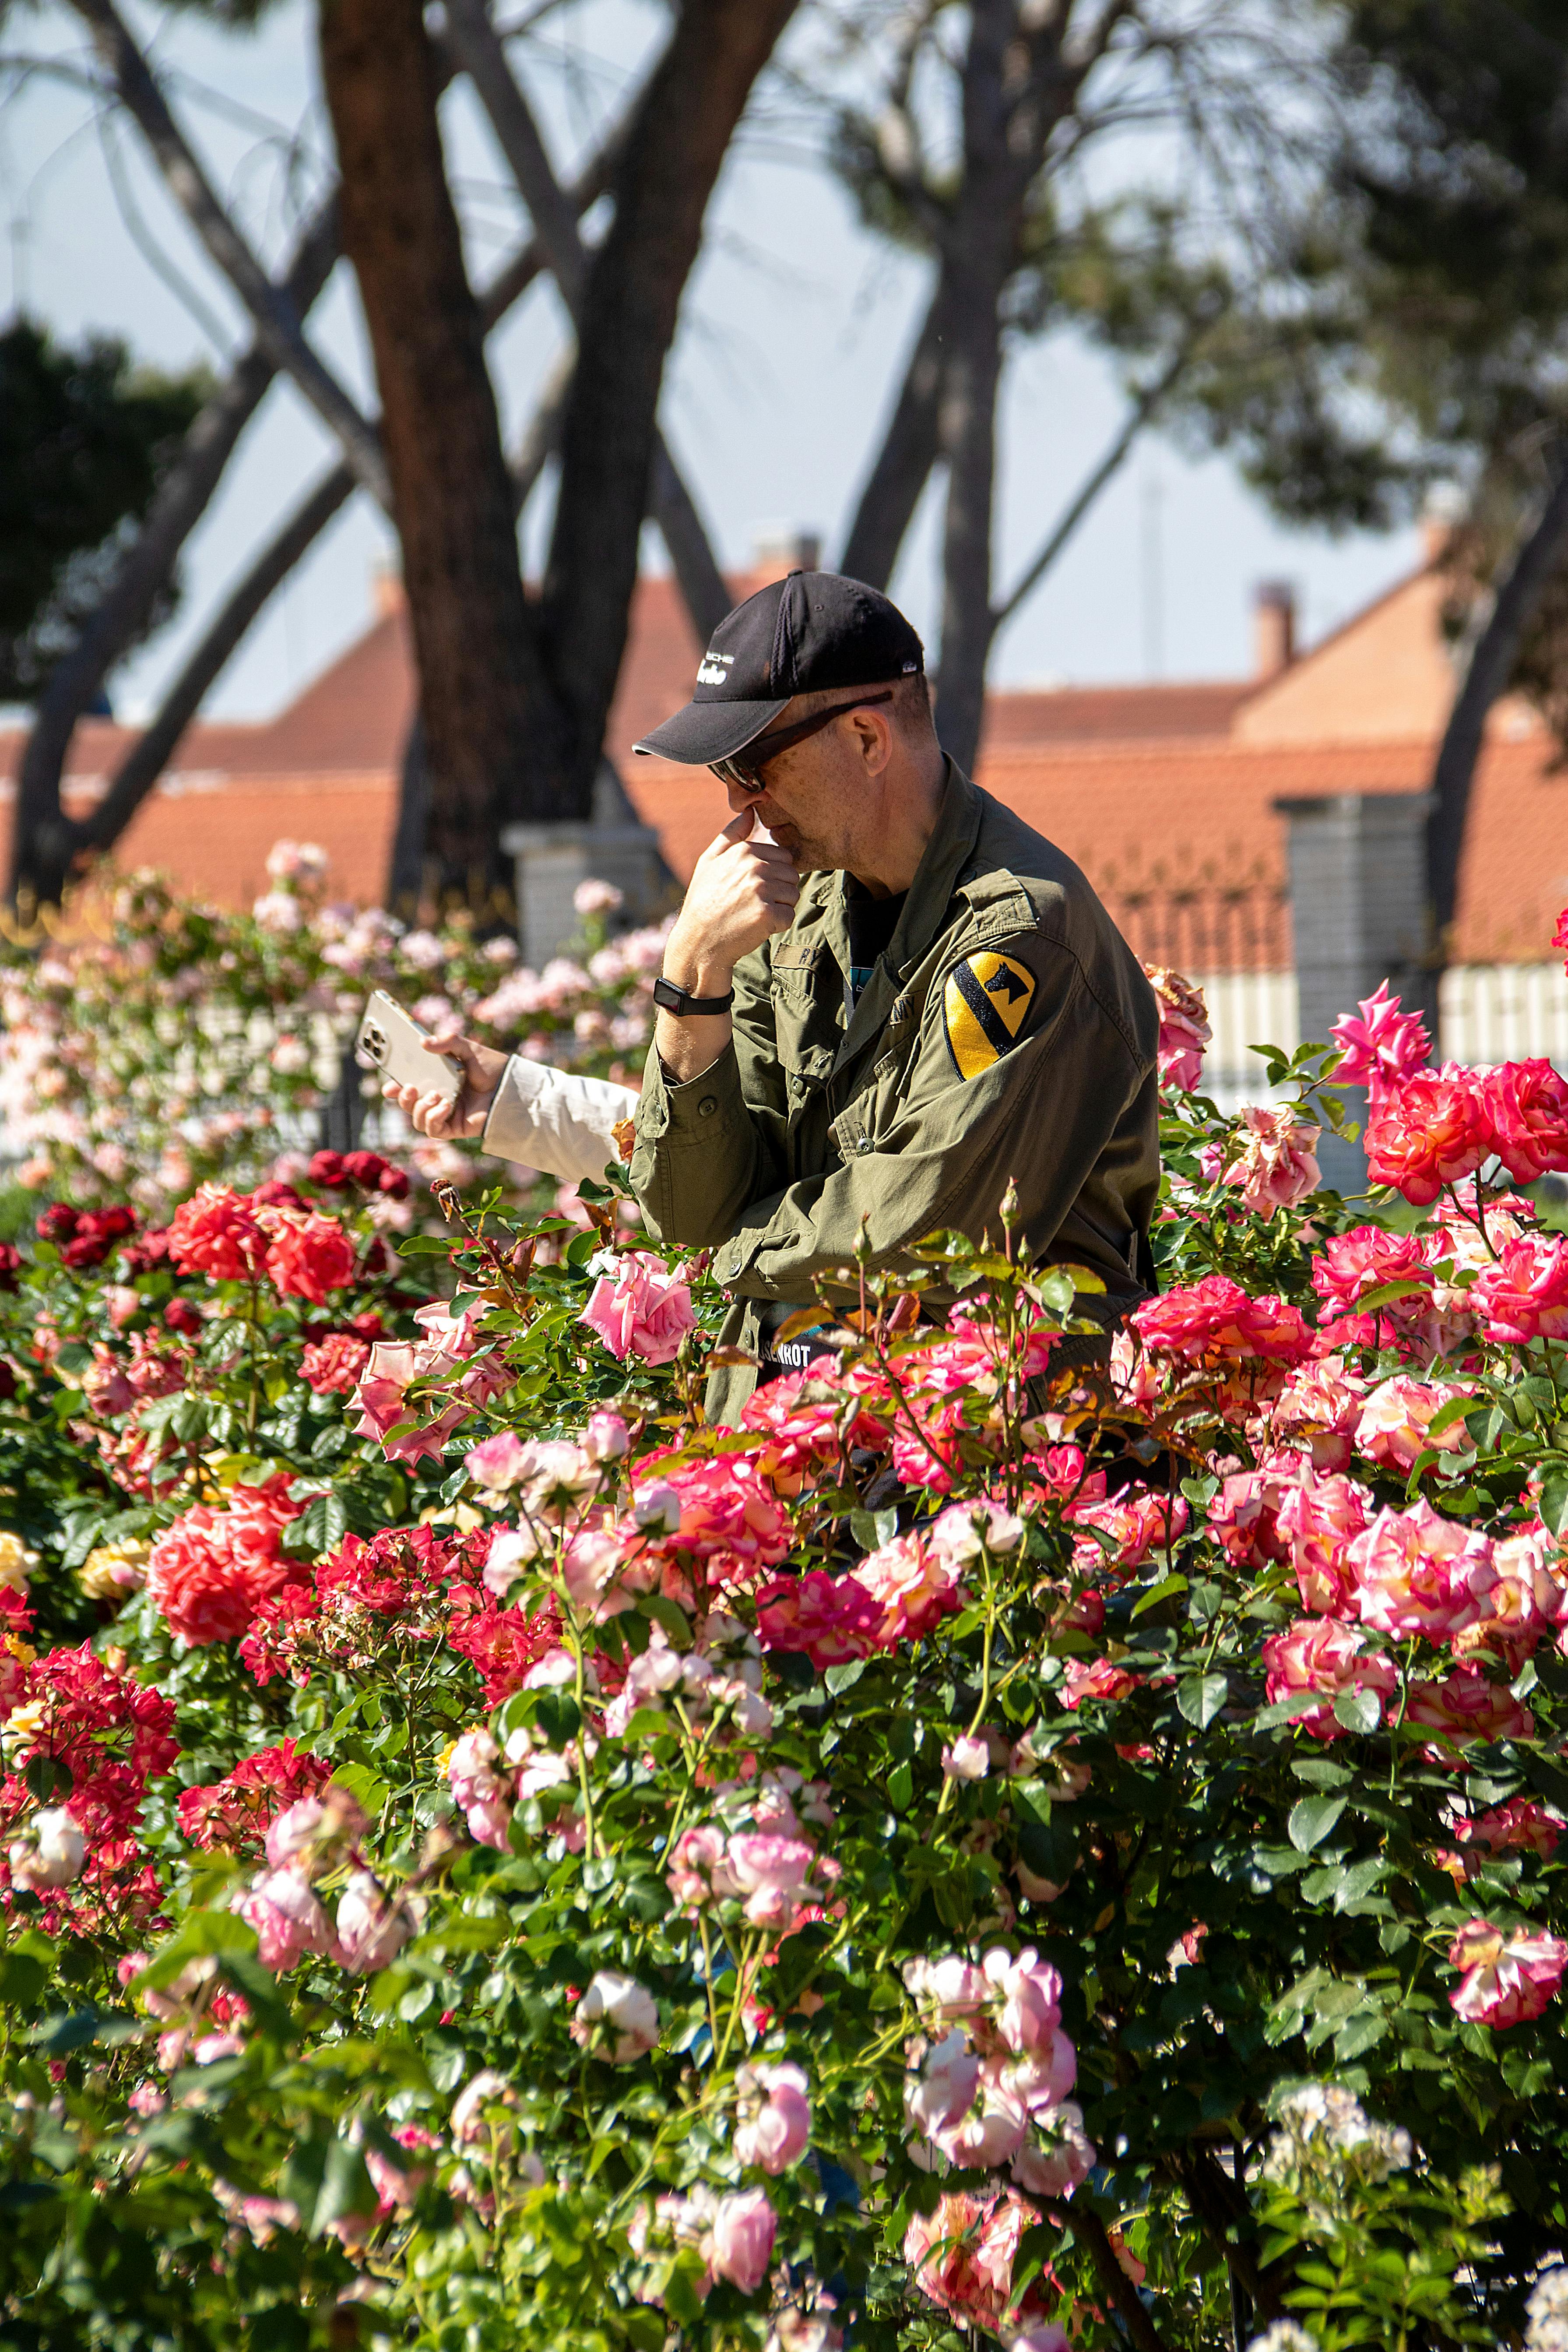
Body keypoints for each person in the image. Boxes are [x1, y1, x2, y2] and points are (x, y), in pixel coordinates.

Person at [387, 567, 1160, 1425]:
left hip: (988, 1472)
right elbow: (687, 1204)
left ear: (868, 739)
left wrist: (737, 1240)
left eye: (753, 765)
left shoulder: (1020, 934)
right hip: (797, 1438)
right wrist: (693, 974)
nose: (735, 803)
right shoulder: (796, 911)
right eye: (722, 770)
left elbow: (922, 1235)